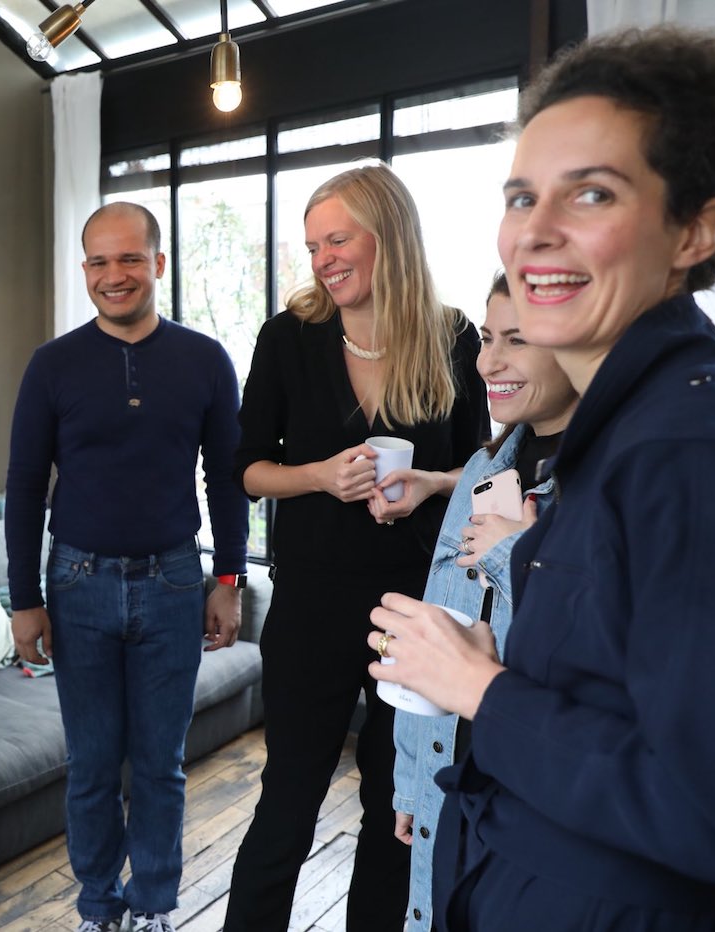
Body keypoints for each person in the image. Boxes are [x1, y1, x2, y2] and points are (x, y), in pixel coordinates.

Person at [368, 26, 715, 931]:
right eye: (520, 196)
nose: (534, 233)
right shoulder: (611, 439)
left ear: (695, 230)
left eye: (591, 193)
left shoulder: (686, 450)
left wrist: (481, 690)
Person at [226, 162, 489, 932]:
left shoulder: (453, 336)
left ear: (390, 238)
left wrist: (429, 485)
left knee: (395, 803)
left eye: (338, 239)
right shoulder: (289, 337)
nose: (323, 259)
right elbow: (245, 471)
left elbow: (479, 470)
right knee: (289, 800)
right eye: (313, 245)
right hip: (309, 602)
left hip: (416, 607)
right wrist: (316, 476)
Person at [5, 202, 249, 932]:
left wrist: (228, 580)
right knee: (90, 766)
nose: (115, 276)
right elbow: (23, 486)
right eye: (99, 263)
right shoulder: (52, 365)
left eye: (130, 260)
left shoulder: (205, 359)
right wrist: (24, 600)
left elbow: (227, 477)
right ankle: (97, 907)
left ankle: (152, 907)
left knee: (159, 766)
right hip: (76, 584)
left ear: (158, 264)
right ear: (84, 271)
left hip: (176, 582)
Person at [391, 272, 578, 930]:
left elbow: (580, 671)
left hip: (535, 800)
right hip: (453, 779)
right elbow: (440, 625)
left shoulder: (603, 489)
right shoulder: (483, 470)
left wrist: (514, 556)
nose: (488, 362)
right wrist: (412, 779)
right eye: (488, 337)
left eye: (517, 340)